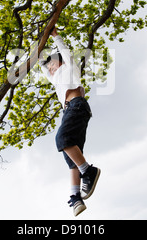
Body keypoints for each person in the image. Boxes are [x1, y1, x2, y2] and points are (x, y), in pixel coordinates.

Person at [40, 27, 101, 217]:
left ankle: (88, 171)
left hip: (77, 105)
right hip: (70, 111)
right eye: (48, 67)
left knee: (62, 139)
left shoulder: (69, 67)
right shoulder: (55, 78)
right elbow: (41, 63)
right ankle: (75, 196)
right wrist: (39, 49)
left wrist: (55, 35)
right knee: (71, 155)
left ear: (60, 62)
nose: (50, 68)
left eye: (52, 64)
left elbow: (64, 52)